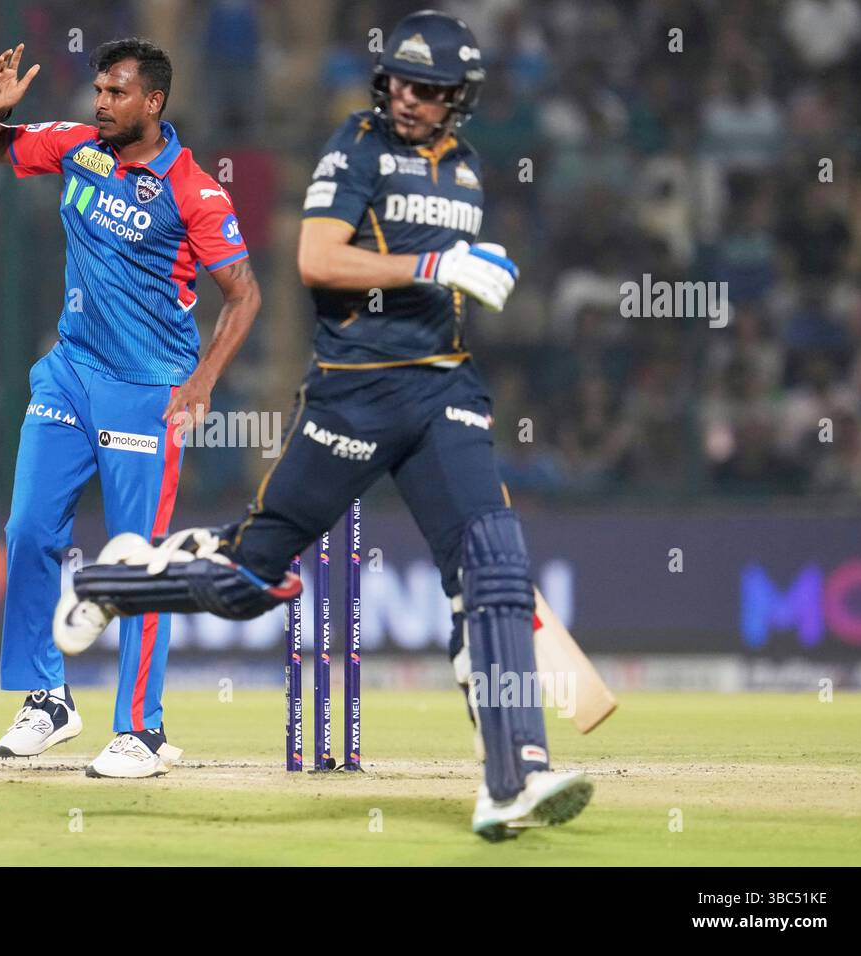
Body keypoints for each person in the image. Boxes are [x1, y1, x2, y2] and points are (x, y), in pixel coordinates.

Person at [53, 12, 593, 839]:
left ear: (459, 98)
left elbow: (433, 282)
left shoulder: (469, 169)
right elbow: (316, 258)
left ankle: (514, 778)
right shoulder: (358, 146)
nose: (412, 101)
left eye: (431, 90)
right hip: (353, 395)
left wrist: (469, 275)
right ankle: (111, 583)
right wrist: (436, 265)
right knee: (250, 582)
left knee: (492, 572)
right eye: (403, 84)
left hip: (444, 388)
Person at [0, 39, 261, 778]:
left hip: (148, 387)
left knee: (137, 561)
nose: (100, 103)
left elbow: (245, 293)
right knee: (28, 529)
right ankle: (48, 698)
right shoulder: (77, 147)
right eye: (98, 89)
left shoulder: (195, 189)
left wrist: (204, 378)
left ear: (153, 103)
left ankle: (141, 732)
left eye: (116, 93)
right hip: (68, 371)